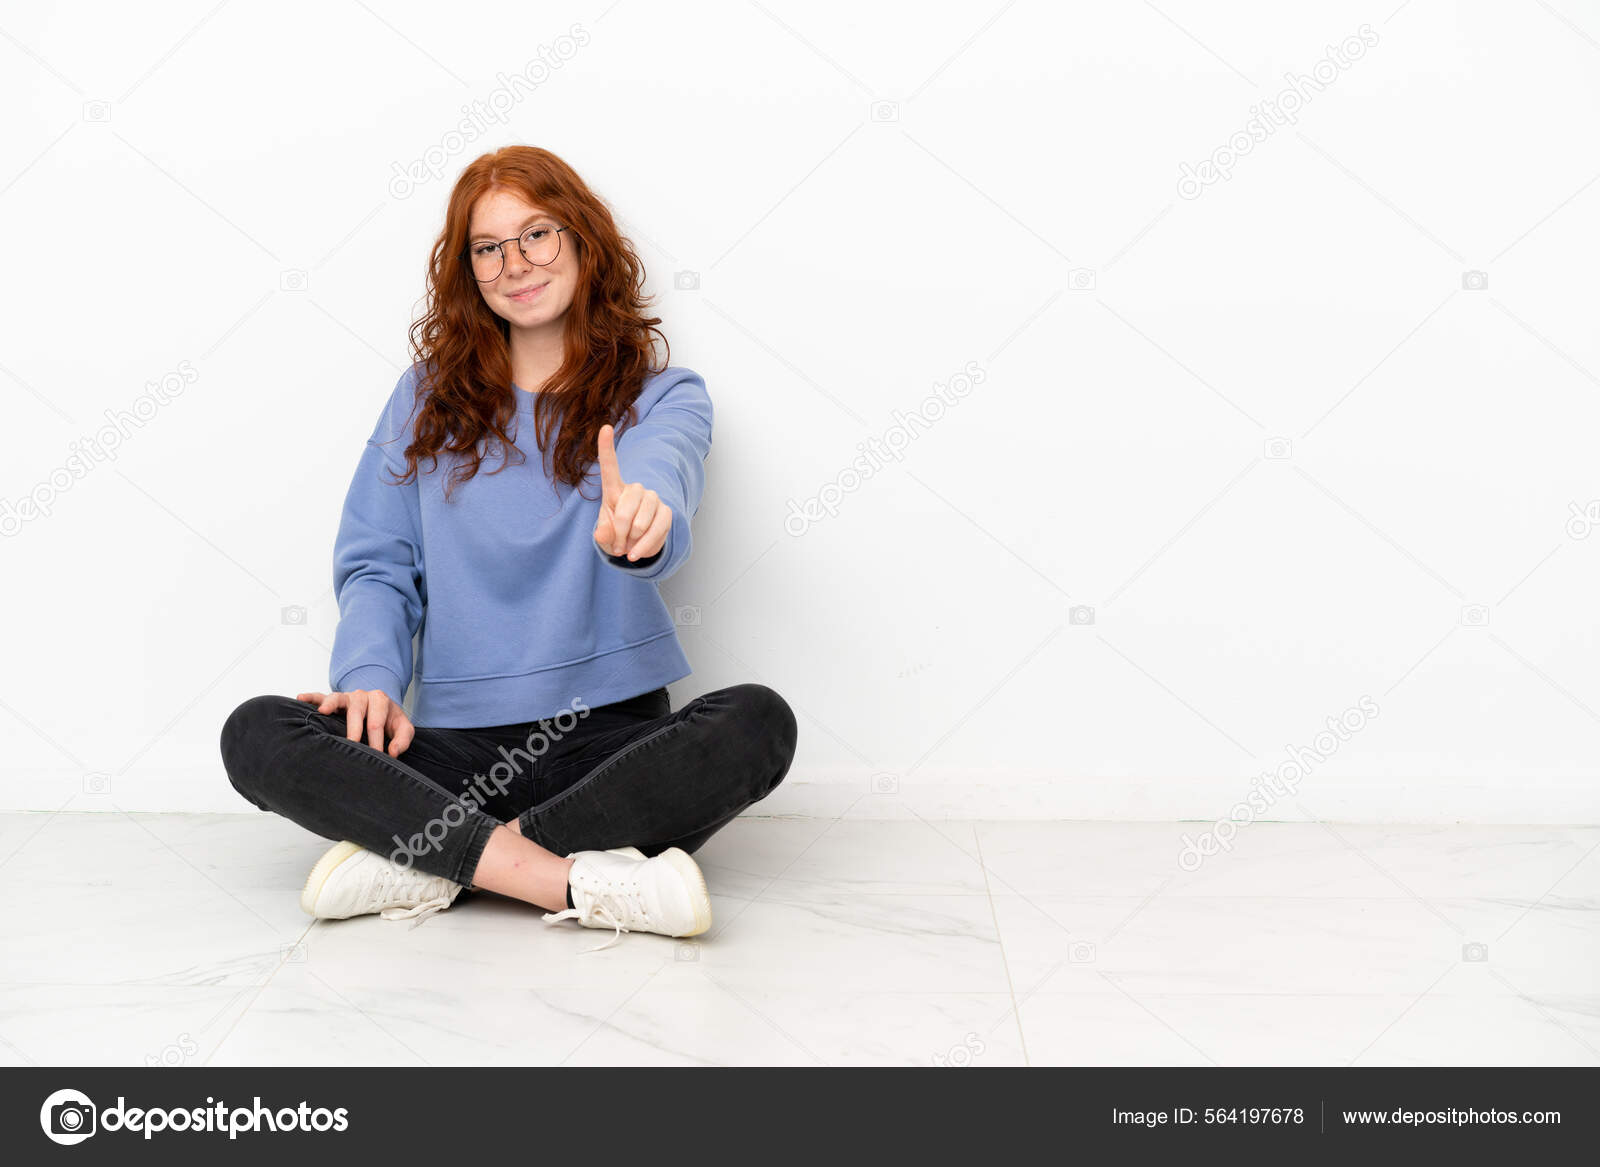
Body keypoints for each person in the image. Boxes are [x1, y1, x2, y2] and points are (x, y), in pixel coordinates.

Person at [219, 146, 797, 952]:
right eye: (487, 247)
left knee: (758, 723)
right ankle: (571, 879)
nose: (514, 263)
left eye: (537, 234)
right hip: (453, 747)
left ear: (585, 242)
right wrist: (370, 680)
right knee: (256, 732)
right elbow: (379, 560)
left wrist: (643, 519)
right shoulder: (424, 400)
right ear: (467, 271)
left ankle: (440, 858)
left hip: (608, 745)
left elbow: (664, 477)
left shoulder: (662, 396)